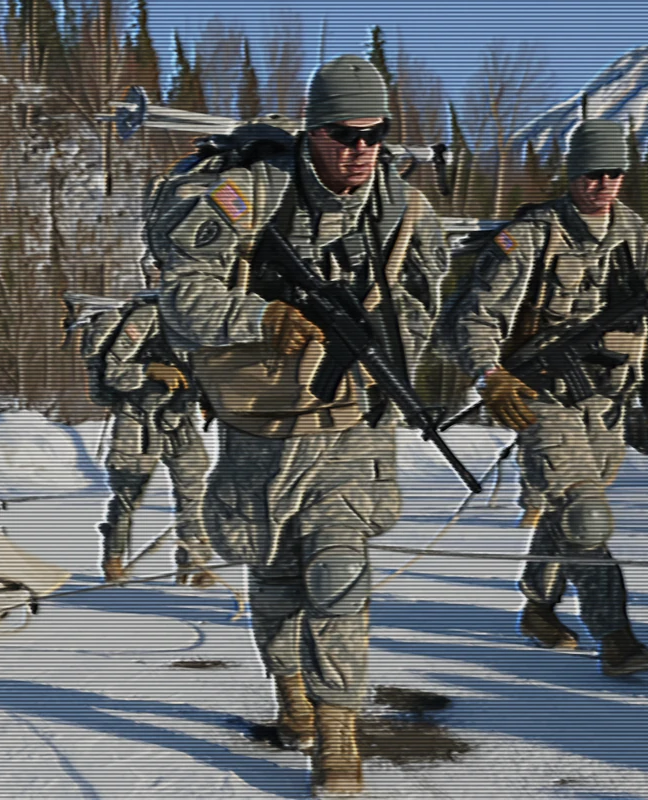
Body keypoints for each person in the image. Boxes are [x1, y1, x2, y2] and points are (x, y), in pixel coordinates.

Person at [152, 55, 447, 796]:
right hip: (261, 428)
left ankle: (340, 745)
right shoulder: (249, 195)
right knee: (277, 585)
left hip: (350, 427)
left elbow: (425, 304)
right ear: (312, 130)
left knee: (341, 576)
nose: (360, 151)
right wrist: (261, 315)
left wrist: (373, 338)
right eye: (344, 135)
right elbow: (182, 299)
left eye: (376, 135)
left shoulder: (406, 211)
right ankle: (294, 700)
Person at [440, 119, 648, 675]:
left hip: (608, 403)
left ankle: (537, 607)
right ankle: (616, 637)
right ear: (572, 175)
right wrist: (491, 376)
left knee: (565, 514)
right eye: (592, 174)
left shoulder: (638, 239)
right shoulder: (530, 237)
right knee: (586, 515)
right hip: (540, 397)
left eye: (614, 174)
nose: (603, 184)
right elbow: (478, 316)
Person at [95, 301, 215, 587]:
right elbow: (111, 373)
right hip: (137, 420)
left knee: (194, 493)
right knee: (127, 496)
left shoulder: (198, 314)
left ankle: (194, 564)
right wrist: (149, 370)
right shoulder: (147, 316)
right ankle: (113, 561)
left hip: (179, 418)